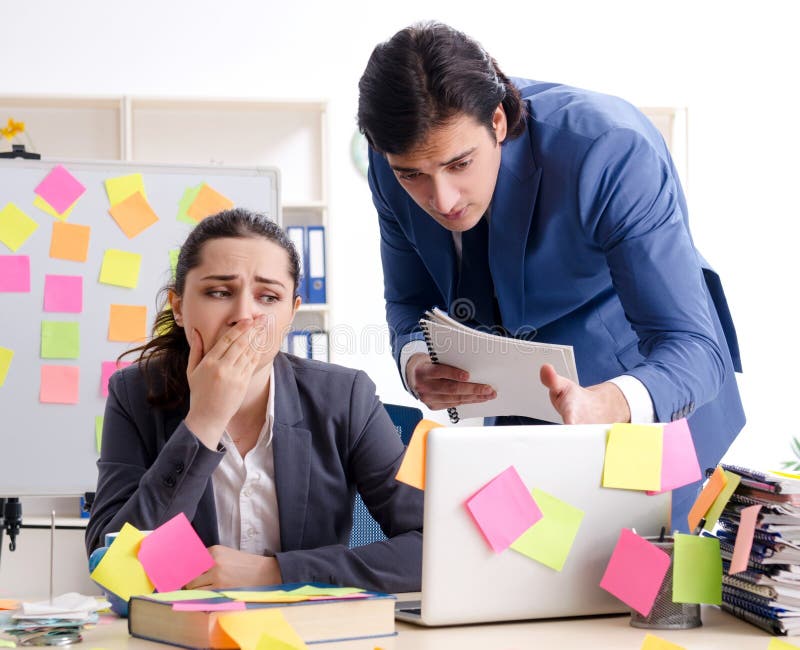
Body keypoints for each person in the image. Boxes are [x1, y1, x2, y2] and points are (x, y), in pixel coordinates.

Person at [357, 22, 745, 528]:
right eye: (413, 175)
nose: (442, 200)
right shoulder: (389, 162)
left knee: (639, 574)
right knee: (515, 567)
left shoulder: (609, 150)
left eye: (460, 164)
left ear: (498, 122)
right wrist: (415, 361)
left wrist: (607, 403)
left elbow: (694, 347)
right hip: (519, 420)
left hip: (644, 407)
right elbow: (408, 301)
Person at [85, 208, 422, 593]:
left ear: (291, 313)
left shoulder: (346, 397)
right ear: (178, 307)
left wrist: (276, 573)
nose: (244, 315)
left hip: (308, 625)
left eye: (268, 297)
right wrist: (203, 422)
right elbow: (111, 565)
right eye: (219, 292)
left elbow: (432, 548)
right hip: (186, 624)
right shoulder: (134, 394)